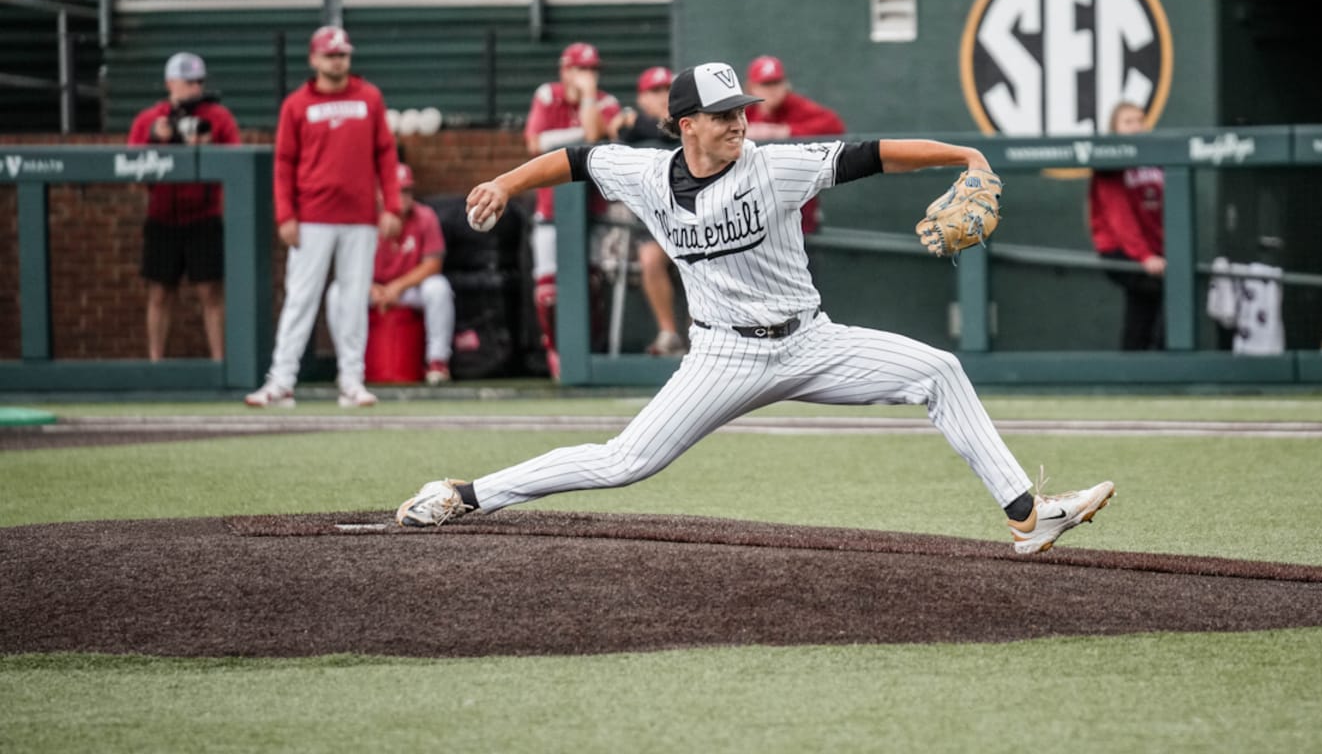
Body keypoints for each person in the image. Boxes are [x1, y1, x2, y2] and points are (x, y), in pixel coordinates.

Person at [397, 60, 1116, 556]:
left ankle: (1028, 519)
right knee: (624, 461)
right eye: (721, 114)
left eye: (740, 109)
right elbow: (580, 159)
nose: (739, 121)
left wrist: (961, 155)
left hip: (811, 340)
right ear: (685, 124)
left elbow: (874, 155)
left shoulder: (776, 165)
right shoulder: (645, 172)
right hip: (723, 354)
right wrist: (506, 181)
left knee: (938, 371)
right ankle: (467, 494)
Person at [245, 25, 402, 408]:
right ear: (314, 59)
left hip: (360, 217)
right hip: (312, 216)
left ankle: (352, 381)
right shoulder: (296, 105)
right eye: (330, 55)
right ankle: (281, 381)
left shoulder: (369, 98)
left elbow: (386, 154)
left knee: (353, 301)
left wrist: (393, 206)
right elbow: (284, 162)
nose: (338, 60)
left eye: (343, 54)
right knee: (300, 298)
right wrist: (285, 214)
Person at [127, 51, 241, 361]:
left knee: (210, 292)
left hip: (203, 217)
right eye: (187, 82)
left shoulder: (217, 118)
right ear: (170, 82)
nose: (194, 89)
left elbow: (237, 165)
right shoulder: (150, 119)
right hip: (162, 216)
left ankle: (221, 362)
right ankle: (155, 362)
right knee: (160, 292)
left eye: (198, 82)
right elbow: (131, 169)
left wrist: (205, 150)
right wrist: (157, 138)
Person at [524, 42, 624, 377]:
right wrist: (574, 136)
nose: (589, 76)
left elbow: (594, 134)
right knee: (548, 289)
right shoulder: (547, 96)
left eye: (593, 69)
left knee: (591, 285)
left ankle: (588, 355)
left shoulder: (604, 102)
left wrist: (587, 98)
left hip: (591, 210)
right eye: (582, 69)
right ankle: (555, 352)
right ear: (565, 69)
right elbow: (535, 143)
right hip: (551, 210)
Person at [328, 163, 455, 385]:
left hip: (408, 290)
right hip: (370, 289)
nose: (402, 197)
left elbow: (433, 264)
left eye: (406, 191)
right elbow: (346, 265)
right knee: (336, 293)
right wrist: (370, 288)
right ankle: (347, 365)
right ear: (380, 193)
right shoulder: (363, 217)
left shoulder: (424, 216)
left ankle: (437, 362)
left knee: (438, 288)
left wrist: (397, 287)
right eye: (397, 191)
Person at [609, 65, 686, 357]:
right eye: (655, 91)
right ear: (642, 97)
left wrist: (639, 122)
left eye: (667, 89)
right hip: (654, 217)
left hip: (697, 213)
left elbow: (672, 133)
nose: (663, 96)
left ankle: (704, 335)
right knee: (650, 257)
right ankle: (669, 334)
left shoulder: (688, 122)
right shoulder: (630, 124)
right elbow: (619, 130)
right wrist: (634, 122)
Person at [1088, 101, 1166, 351]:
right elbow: (1119, 218)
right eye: (1128, 122)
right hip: (1123, 251)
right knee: (1153, 297)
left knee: (1147, 305)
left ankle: (1147, 371)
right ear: (1115, 129)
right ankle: (1137, 368)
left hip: (1156, 252)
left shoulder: (1157, 158)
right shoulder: (1110, 165)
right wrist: (1145, 256)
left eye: (1140, 120)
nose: (1136, 127)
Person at [744, 55, 847, 235]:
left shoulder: (794, 106)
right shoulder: (745, 111)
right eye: (765, 84)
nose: (772, 90)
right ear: (752, 87)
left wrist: (784, 132)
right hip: (753, 206)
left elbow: (834, 125)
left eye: (776, 83)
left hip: (796, 207)